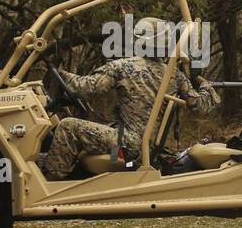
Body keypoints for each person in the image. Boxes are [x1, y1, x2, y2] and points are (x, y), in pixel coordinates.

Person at [40, 17, 220, 178]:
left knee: (68, 125)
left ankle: (51, 179)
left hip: (126, 145)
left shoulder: (124, 67)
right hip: (144, 148)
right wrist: (205, 85)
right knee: (92, 124)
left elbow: (85, 88)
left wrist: (59, 72)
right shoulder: (173, 73)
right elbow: (200, 105)